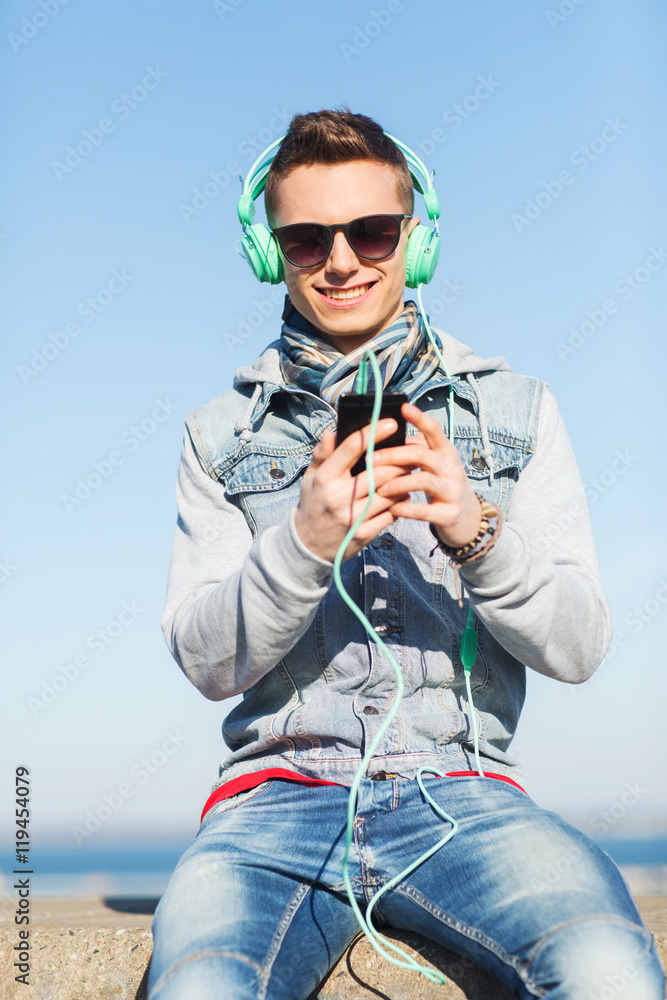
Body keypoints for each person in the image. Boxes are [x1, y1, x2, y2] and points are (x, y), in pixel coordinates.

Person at [147, 109, 664, 999]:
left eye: (371, 231)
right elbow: (204, 660)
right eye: (306, 239)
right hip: (270, 806)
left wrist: (474, 531)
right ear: (270, 253)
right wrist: (302, 543)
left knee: (610, 973)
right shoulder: (217, 434)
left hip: (465, 793)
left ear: (413, 243)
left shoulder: (517, 409)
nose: (341, 260)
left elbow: (579, 647)